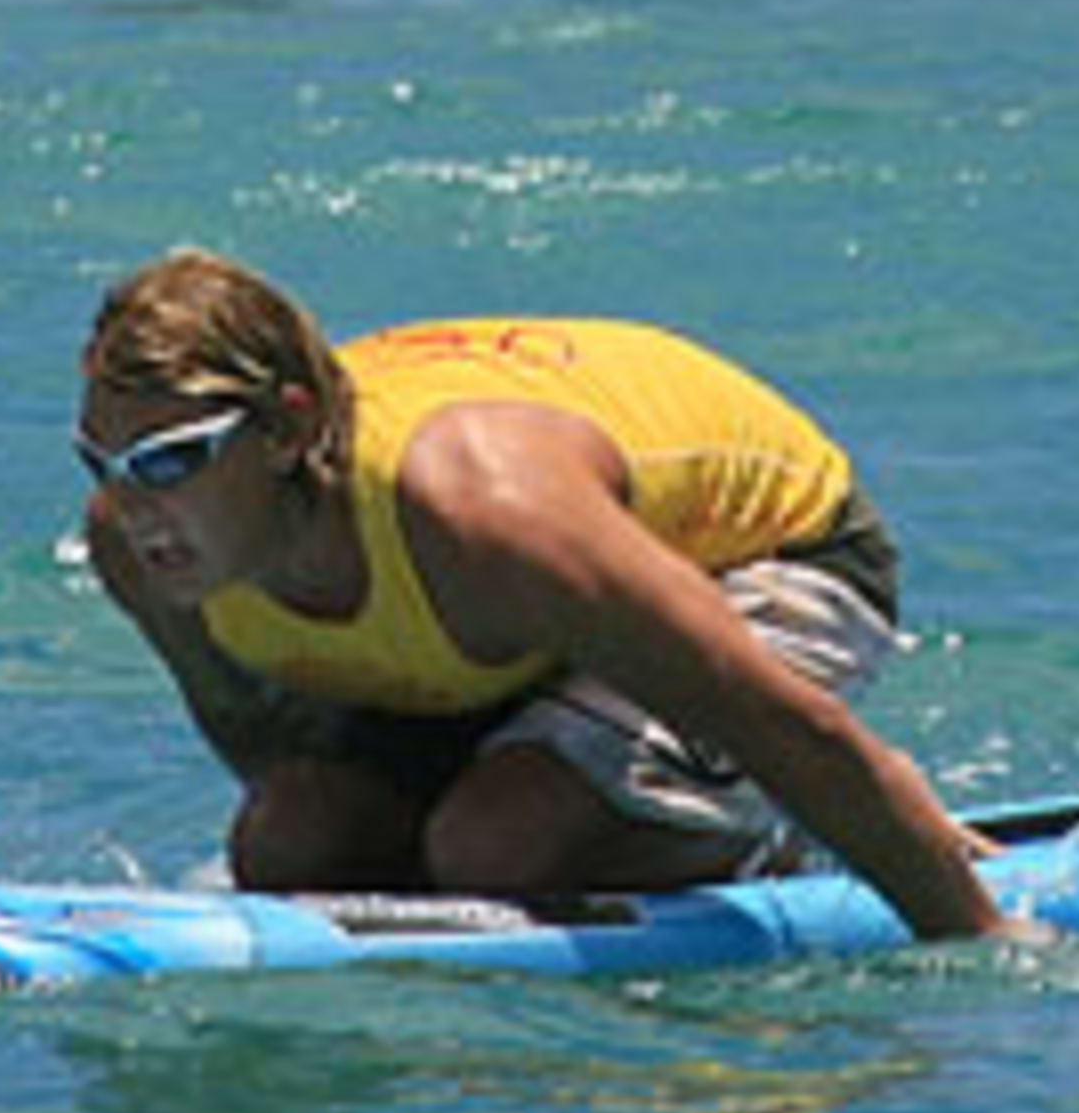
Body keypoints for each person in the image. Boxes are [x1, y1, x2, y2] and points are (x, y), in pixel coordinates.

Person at [76, 250, 1012, 943]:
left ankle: (778, 842)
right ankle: (590, 792)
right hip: (519, 618)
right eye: (107, 464)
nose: (137, 506)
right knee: (292, 845)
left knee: (501, 845)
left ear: (287, 431)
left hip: (769, 552)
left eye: (170, 462)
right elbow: (275, 757)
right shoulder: (139, 547)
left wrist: (981, 936)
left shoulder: (490, 514)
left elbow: (775, 724)